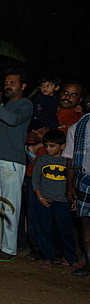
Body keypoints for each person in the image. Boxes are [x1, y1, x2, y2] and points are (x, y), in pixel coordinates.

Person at [0, 68, 33, 262]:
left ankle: (9, 248)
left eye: (12, 83)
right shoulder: (2, 107)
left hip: (13, 162)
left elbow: (13, 121)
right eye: (6, 83)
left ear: (23, 86)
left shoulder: (25, 104)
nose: (8, 86)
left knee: (10, 204)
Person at [32, 129, 79, 269]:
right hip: (45, 201)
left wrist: (74, 199)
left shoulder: (68, 162)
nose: (48, 149)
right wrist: (40, 197)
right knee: (44, 230)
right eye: (46, 145)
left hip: (63, 202)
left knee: (66, 231)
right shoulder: (42, 160)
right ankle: (48, 258)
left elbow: (73, 182)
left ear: (63, 146)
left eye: (52, 146)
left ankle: (71, 258)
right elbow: (35, 181)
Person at [64, 105, 90, 277]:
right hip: (85, 180)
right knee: (86, 223)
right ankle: (89, 263)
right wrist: (70, 184)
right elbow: (71, 158)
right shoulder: (78, 127)